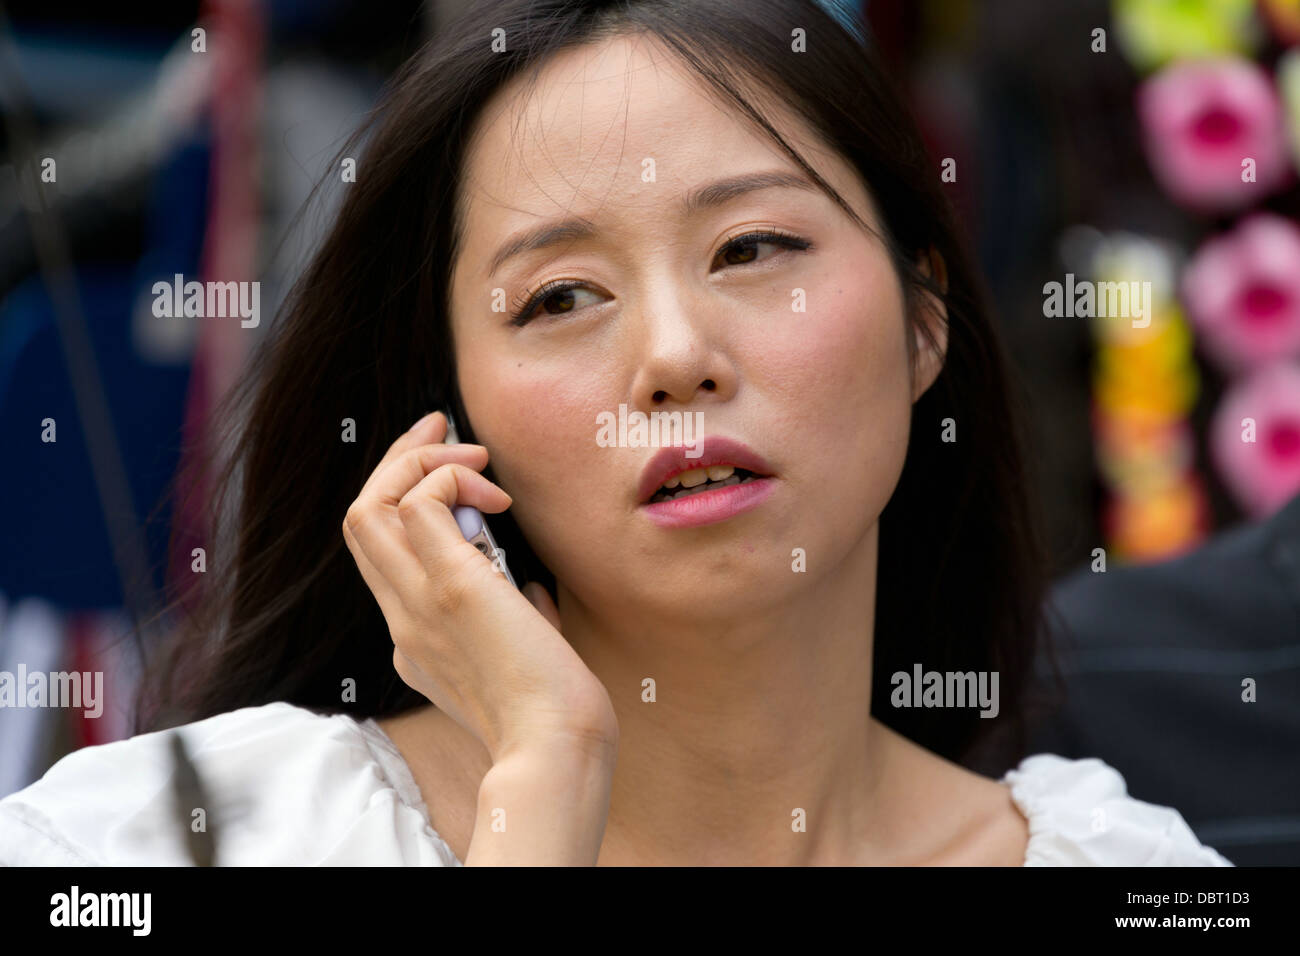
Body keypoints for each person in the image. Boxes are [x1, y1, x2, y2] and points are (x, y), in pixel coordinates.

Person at [0, 0, 1231, 866]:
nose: (672, 356)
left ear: (923, 320)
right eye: (557, 297)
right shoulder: (168, 836)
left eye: (752, 248)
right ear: (451, 413)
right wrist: (543, 777)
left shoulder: (1121, 862)